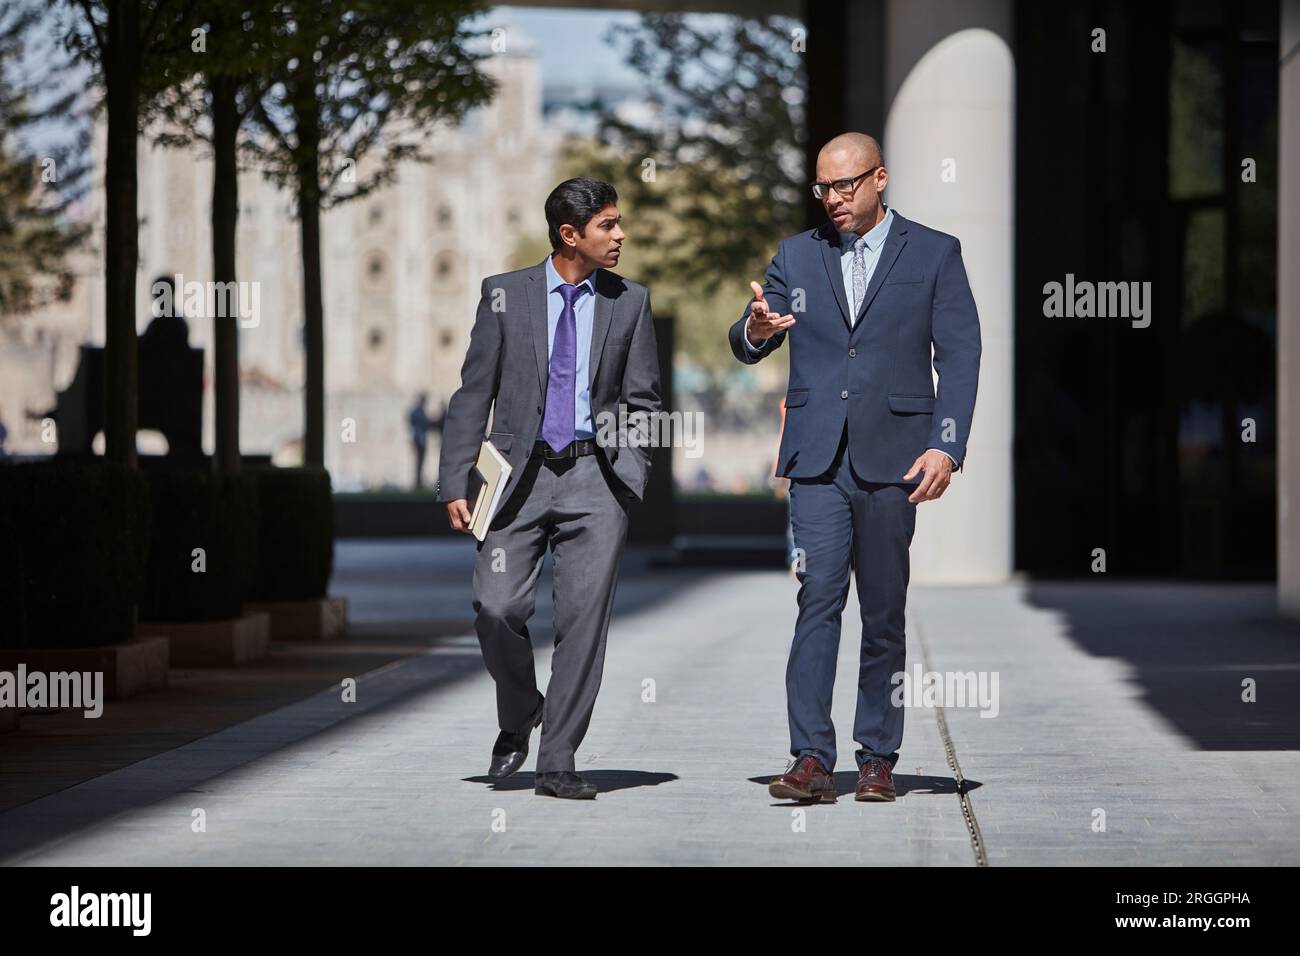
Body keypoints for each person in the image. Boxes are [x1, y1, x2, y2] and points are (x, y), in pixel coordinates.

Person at [730, 132, 981, 803]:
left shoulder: (934, 254)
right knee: (816, 600)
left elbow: (959, 357)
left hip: (896, 460)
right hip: (815, 461)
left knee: (884, 612)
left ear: (880, 179)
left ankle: (877, 757)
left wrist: (946, 446)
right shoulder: (796, 255)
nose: (834, 199)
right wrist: (755, 329)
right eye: (823, 187)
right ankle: (811, 758)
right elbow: (748, 336)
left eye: (846, 185)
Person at [437, 178, 662, 799]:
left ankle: (558, 759)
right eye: (608, 226)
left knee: (583, 625)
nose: (620, 236)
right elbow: (471, 393)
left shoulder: (631, 301)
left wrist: (631, 471)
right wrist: (455, 477)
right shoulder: (504, 294)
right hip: (516, 479)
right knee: (496, 606)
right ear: (570, 236)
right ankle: (519, 710)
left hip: (596, 480)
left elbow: (643, 398)